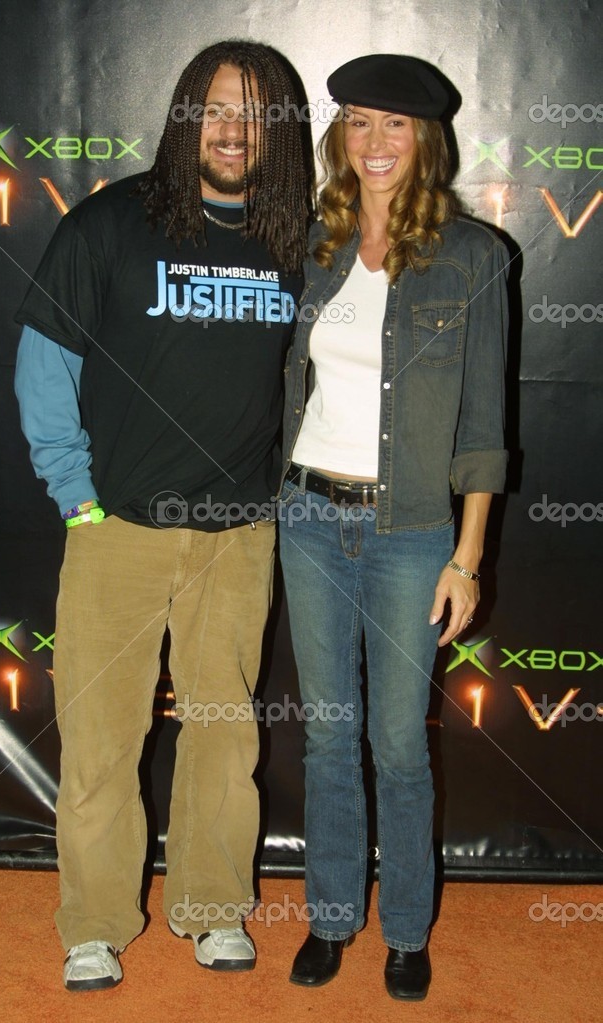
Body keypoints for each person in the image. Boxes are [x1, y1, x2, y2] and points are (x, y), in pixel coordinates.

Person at [14, 39, 312, 991]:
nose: (233, 129)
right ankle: (94, 923)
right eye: (216, 108)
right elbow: (44, 362)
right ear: (186, 115)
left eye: (254, 114)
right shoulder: (111, 222)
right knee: (102, 737)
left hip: (239, 537)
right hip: (120, 532)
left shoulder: (293, 239)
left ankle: (214, 906)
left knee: (225, 737)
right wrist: (77, 497)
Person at [278, 54, 508, 1001]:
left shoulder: (475, 256)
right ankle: (332, 917)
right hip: (306, 518)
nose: (375, 142)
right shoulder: (313, 243)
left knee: (400, 745)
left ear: (427, 139)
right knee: (328, 737)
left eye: (395, 125)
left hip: (414, 533)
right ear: (341, 135)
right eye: (359, 122)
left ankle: (407, 930)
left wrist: (468, 558)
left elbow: (485, 427)